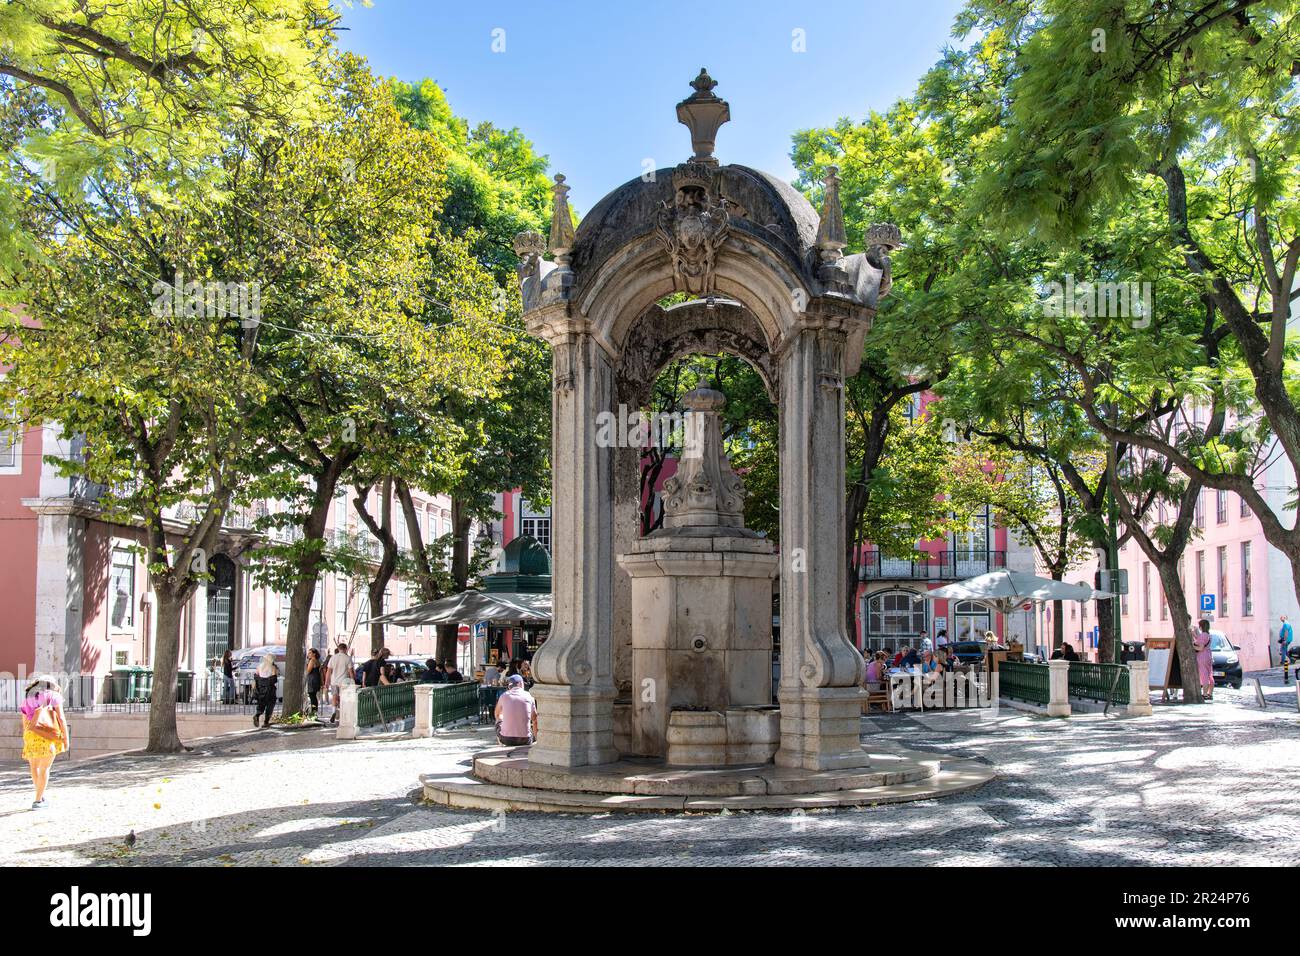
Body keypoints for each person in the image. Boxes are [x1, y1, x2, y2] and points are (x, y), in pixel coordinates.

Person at [20, 675, 69, 810]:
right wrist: (66, 738)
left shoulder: (27, 699)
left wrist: (26, 739)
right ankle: (37, 801)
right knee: (45, 768)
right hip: (47, 733)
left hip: (30, 734)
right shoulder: (54, 696)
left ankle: (40, 796)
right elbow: (61, 718)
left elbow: (24, 723)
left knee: (34, 767)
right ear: (51, 685)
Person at [493, 674, 538, 746]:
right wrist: (536, 738)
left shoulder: (504, 696)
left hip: (507, 739)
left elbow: (497, 715)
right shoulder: (529, 696)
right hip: (525, 739)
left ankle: (501, 745)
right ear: (520, 683)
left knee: (498, 720)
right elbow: (534, 719)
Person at [326, 643, 353, 725]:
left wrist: (326, 682)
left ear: (338, 649)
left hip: (334, 681)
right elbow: (350, 671)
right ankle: (342, 715)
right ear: (345, 649)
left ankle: (333, 712)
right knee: (343, 698)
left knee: (334, 697)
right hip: (344, 682)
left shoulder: (333, 658)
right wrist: (352, 681)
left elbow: (329, 671)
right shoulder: (347, 658)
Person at [253, 653, 278, 728]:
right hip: (270, 689)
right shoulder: (272, 667)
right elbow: (274, 679)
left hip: (261, 689)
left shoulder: (259, 667)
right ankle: (266, 721)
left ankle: (257, 715)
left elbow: (256, 677)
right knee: (270, 705)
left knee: (261, 703)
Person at [1193, 619, 1215, 701]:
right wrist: (1194, 634)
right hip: (1208, 655)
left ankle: (1204, 694)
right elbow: (1201, 641)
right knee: (1210, 675)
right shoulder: (1208, 635)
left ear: (1201, 627)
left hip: (1202, 657)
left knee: (1204, 675)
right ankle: (1210, 694)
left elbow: (1201, 647)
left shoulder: (1203, 635)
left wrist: (1192, 646)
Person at [305, 648, 322, 716]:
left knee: (312, 697)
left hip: (312, 680)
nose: (308, 654)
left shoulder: (312, 661)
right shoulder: (317, 661)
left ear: (314, 654)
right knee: (314, 697)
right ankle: (314, 712)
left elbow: (308, 671)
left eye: (310, 653)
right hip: (316, 679)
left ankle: (313, 713)